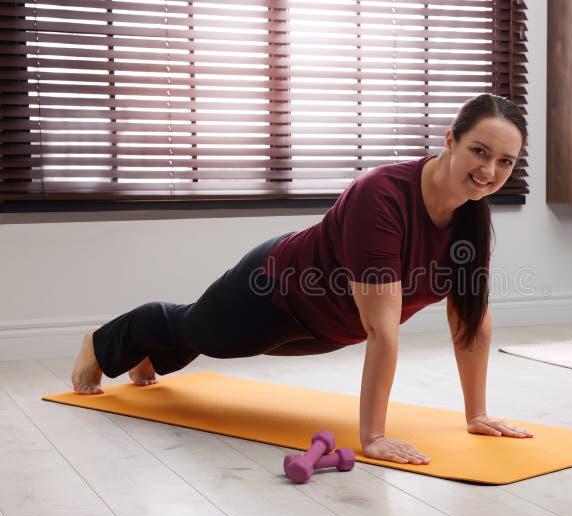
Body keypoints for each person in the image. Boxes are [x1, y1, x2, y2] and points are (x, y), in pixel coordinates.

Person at [71, 93, 533, 465]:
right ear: (450, 140)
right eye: (479, 151)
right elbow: (382, 329)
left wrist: (477, 414)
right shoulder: (383, 197)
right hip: (274, 289)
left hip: (329, 327)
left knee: (204, 337)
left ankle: (147, 355)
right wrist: (372, 436)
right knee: (198, 332)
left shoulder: (472, 220)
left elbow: (471, 321)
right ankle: (104, 340)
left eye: (506, 161)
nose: (489, 171)